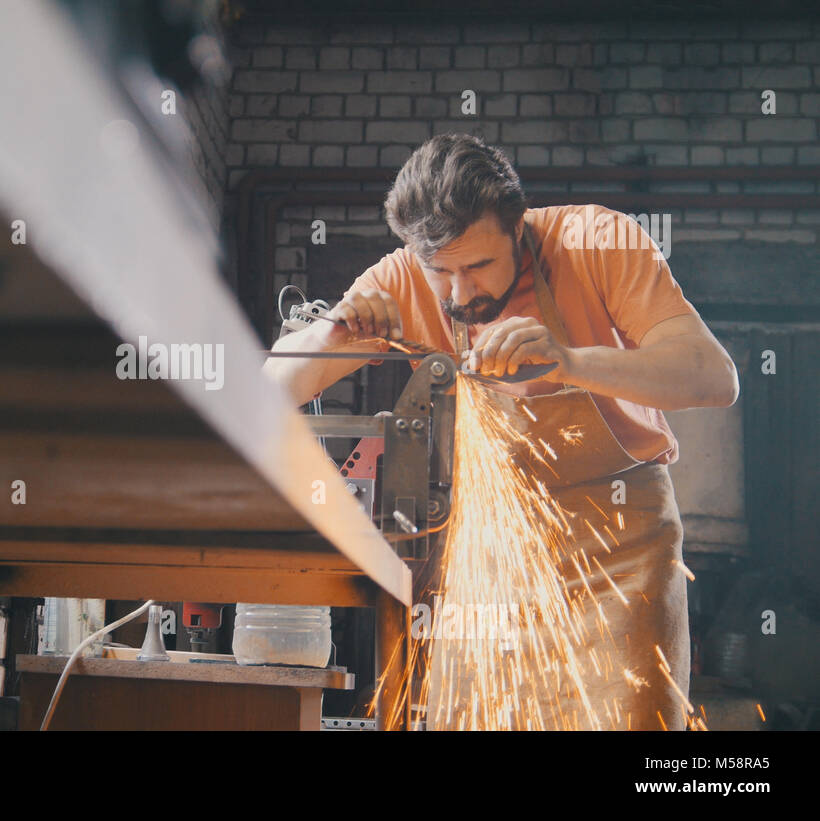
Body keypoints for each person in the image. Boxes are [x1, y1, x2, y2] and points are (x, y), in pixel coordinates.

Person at [263, 133, 739, 730]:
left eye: (479, 267)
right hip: (493, 554)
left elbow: (713, 376)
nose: (461, 295)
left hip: (619, 547)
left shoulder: (595, 240)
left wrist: (570, 361)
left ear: (519, 228)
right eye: (441, 272)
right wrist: (332, 337)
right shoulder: (403, 276)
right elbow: (270, 387)